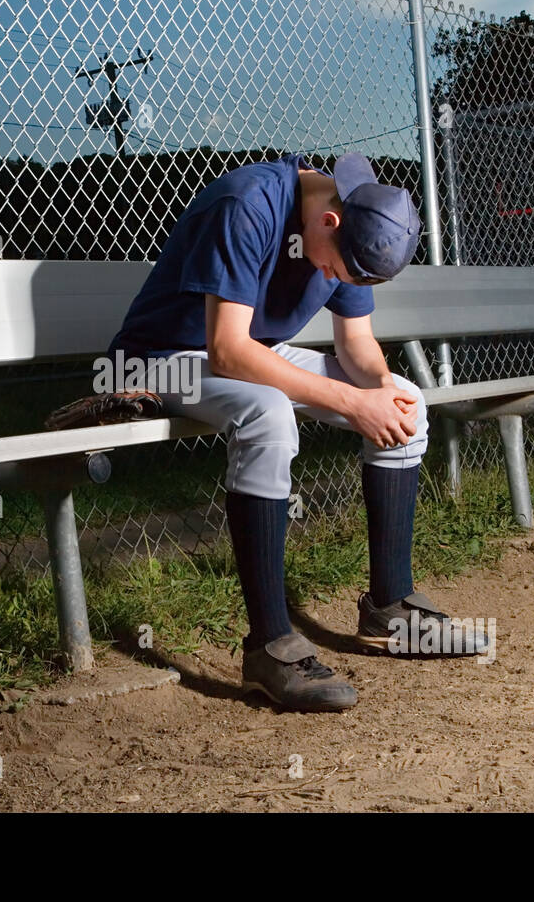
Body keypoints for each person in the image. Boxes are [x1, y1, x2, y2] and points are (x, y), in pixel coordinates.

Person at [106, 152, 488, 712]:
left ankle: (391, 609)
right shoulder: (250, 204)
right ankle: (269, 645)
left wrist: (379, 387)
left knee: (407, 402)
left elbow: (356, 344)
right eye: (336, 270)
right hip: (156, 360)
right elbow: (229, 350)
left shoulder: (353, 220)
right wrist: (352, 404)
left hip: (245, 352)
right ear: (328, 221)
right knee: (268, 413)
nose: (331, 279)